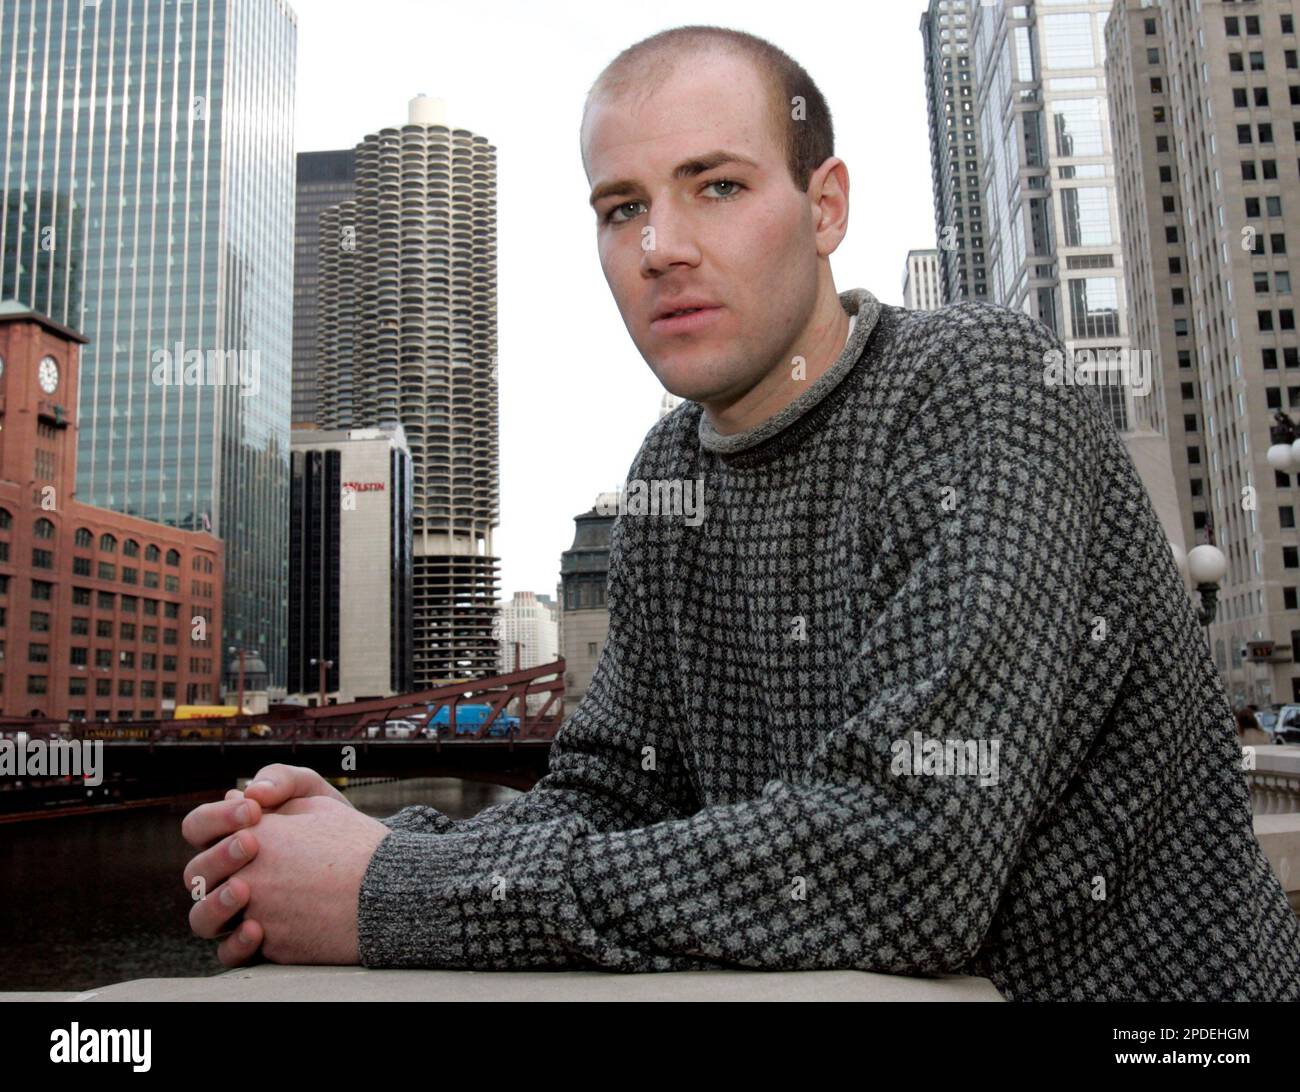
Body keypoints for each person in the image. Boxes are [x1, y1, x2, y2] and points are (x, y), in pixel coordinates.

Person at [182, 24, 1300, 1000]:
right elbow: (612, 790)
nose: (660, 246)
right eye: (622, 207)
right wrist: (361, 849)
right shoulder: (670, 475)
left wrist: (391, 894)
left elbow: (911, 854)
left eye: (715, 185)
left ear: (825, 208)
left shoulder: (974, 385)